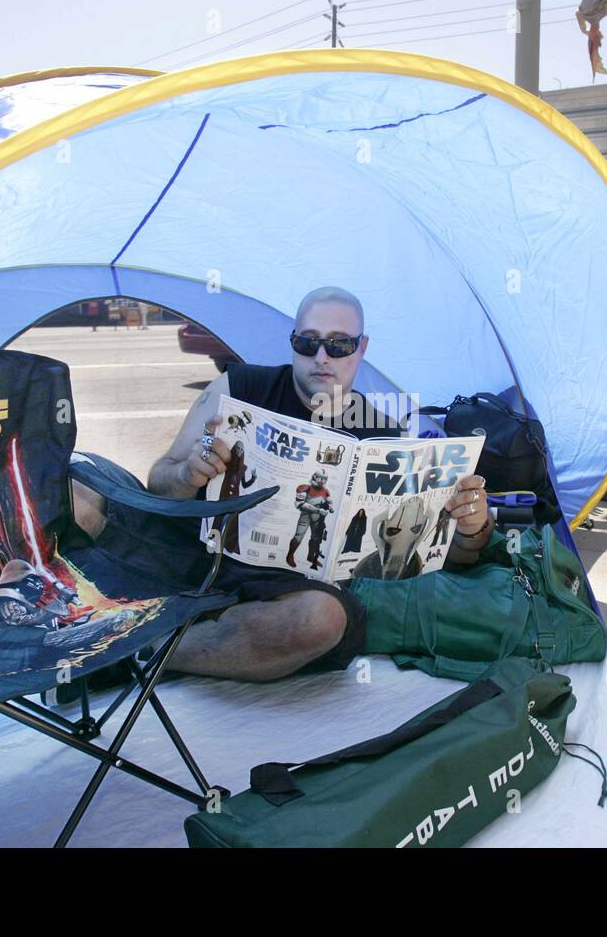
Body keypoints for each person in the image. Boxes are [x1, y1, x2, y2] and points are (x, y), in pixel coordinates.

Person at [137, 287, 492, 678]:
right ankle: (200, 641)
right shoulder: (237, 389)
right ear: (292, 342)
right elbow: (158, 483)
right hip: (199, 558)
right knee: (83, 487)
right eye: (307, 342)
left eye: (340, 345)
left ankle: (147, 653)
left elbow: (431, 554)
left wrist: (472, 528)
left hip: (291, 591)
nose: (321, 357)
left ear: (362, 348)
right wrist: (188, 473)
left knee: (320, 620)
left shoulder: (384, 437)